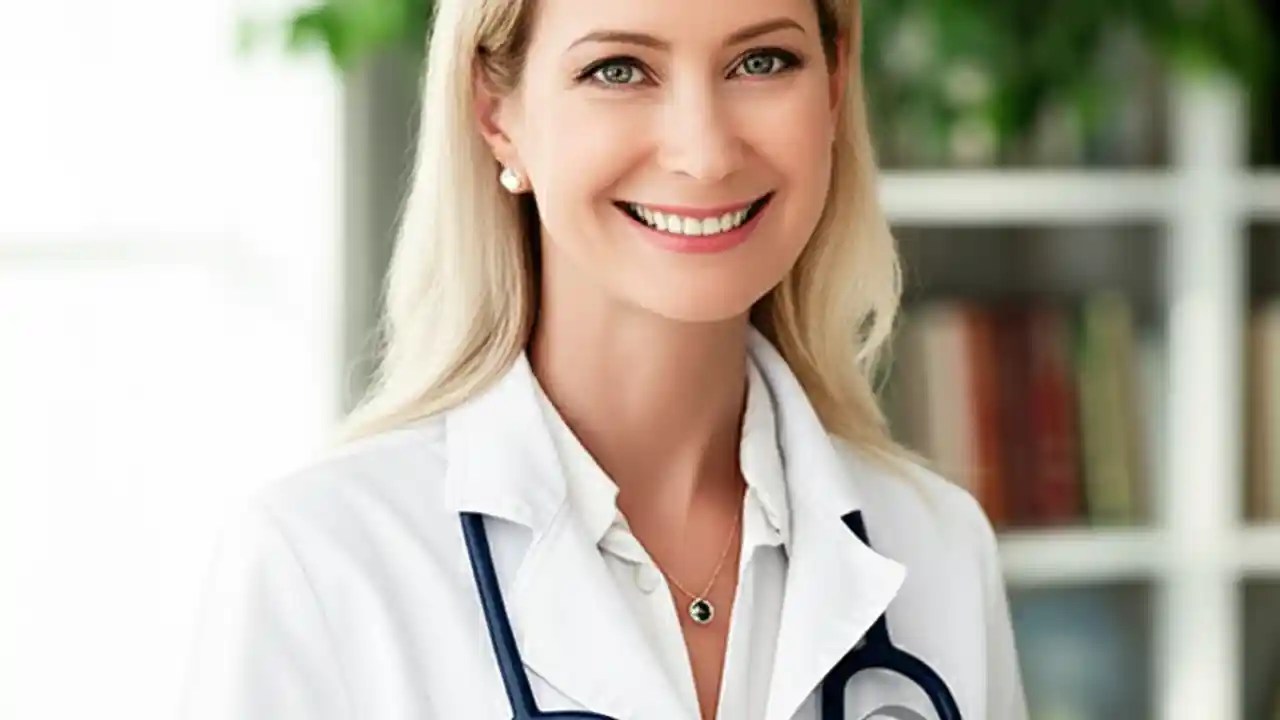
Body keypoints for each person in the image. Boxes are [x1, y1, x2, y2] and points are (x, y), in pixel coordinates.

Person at [180, 0, 1028, 718]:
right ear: (495, 113)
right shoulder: (320, 564)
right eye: (618, 70)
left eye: (763, 61)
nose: (705, 151)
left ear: (836, 87)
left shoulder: (939, 549)